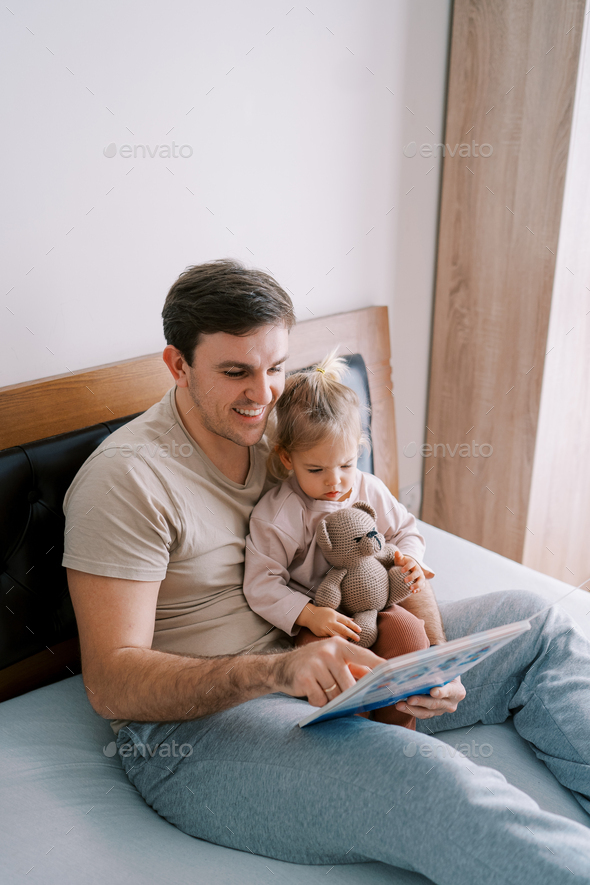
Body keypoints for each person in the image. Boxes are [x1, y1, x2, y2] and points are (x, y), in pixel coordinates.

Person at [63, 258, 590, 884]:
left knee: (536, 623)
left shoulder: (287, 435)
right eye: (236, 372)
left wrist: (436, 663)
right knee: (431, 780)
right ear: (178, 365)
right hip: (203, 732)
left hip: (339, 657)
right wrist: (278, 669)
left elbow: (381, 537)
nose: (263, 394)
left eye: (276, 367)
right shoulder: (127, 480)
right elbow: (110, 682)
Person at [243, 350, 433, 729]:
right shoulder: (280, 512)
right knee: (336, 674)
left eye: (346, 464)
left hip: (373, 603)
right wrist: (310, 614)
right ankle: (356, 732)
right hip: (320, 620)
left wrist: (408, 559)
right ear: (286, 460)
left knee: (412, 635)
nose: (335, 482)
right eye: (316, 469)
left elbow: (405, 530)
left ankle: (399, 729)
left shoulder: (369, 489)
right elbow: (261, 584)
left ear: (359, 451)